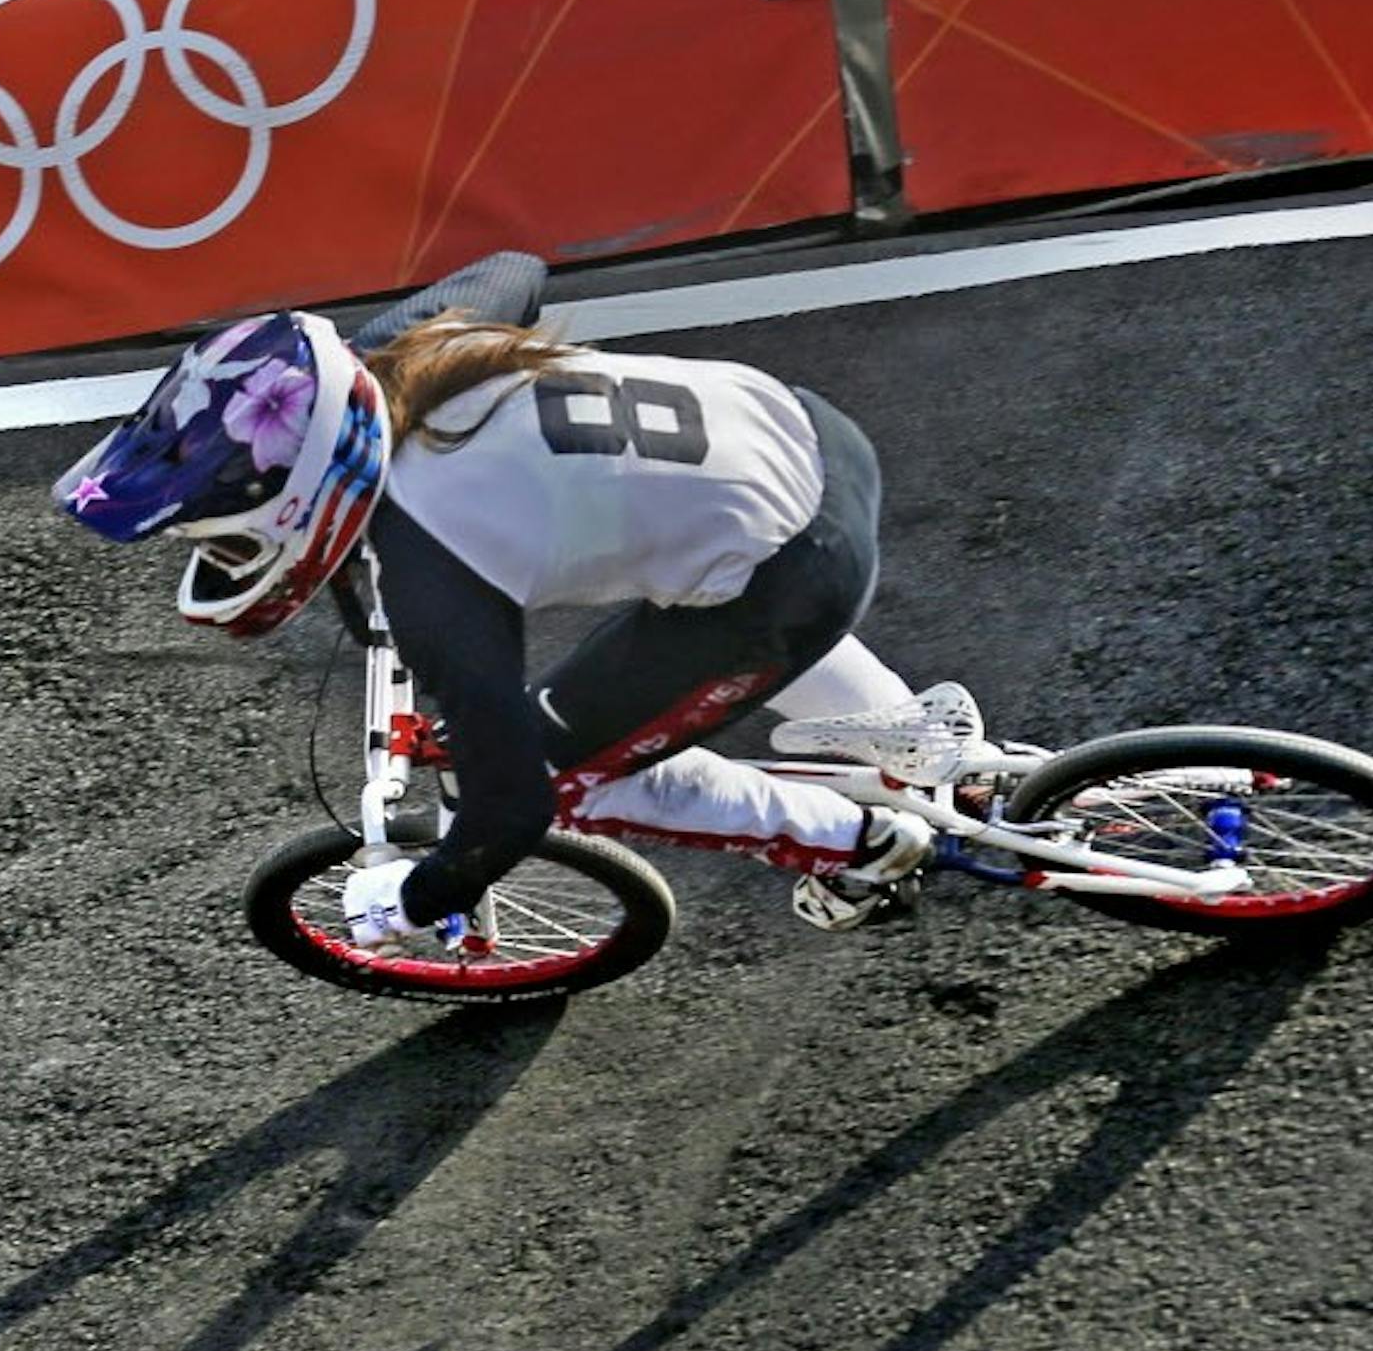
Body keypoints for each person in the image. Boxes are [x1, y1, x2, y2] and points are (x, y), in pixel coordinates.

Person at [50, 252, 936, 945]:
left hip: (798, 569)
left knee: (574, 776)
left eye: (229, 530)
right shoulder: (399, 349)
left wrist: (420, 895)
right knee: (710, 575)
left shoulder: (437, 582)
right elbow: (515, 264)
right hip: (809, 432)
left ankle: (862, 846)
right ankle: (920, 740)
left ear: (299, 496)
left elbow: (514, 810)